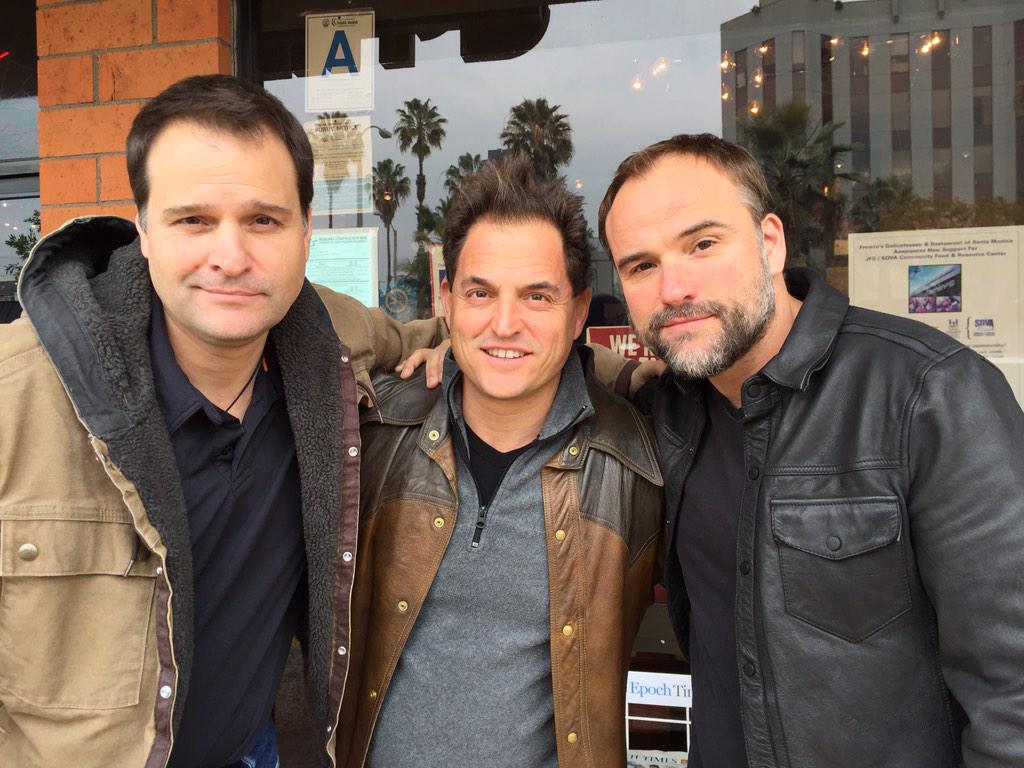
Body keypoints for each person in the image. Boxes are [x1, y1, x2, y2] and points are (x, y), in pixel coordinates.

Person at [0, 75, 445, 768]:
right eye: (193, 220)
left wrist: (617, 372)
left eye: (264, 220)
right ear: (144, 231)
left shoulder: (324, 337)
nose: (231, 259)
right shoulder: (16, 396)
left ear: (305, 232)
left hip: (252, 751)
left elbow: (470, 340)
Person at [597, 133, 1024, 767]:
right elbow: (539, 360)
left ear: (770, 242)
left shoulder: (928, 394)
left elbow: (1012, 691)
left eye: (703, 244)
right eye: (641, 266)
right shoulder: (668, 411)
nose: (674, 287)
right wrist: (457, 354)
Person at [335, 156, 664, 768]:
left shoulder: (638, 461)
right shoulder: (377, 431)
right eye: (480, 293)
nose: (504, 324)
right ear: (447, 301)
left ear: (578, 312)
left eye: (537, 296)